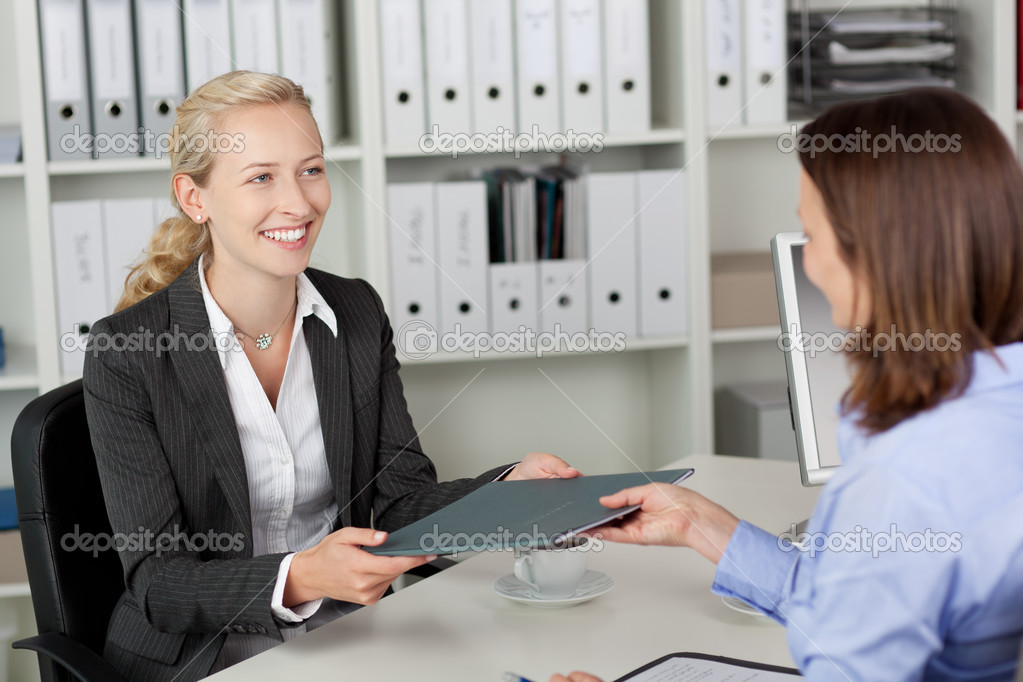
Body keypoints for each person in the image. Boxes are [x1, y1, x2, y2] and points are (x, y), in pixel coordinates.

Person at [82, 70, 577, 681]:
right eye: (261, 177)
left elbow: (399, 503)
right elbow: (160, 583)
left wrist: (507, 489)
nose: (299, 202)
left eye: (310, 169)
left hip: (353, 640)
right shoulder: (127, 352)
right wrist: (304, 575)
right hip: (200, 660)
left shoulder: (356, 312)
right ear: (195, 197)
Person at [551, 88, 1023, 681]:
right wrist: (706, 528)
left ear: (874, 255)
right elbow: (871, 605)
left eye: (812, 235)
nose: (810, 263)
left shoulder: (906, 479)